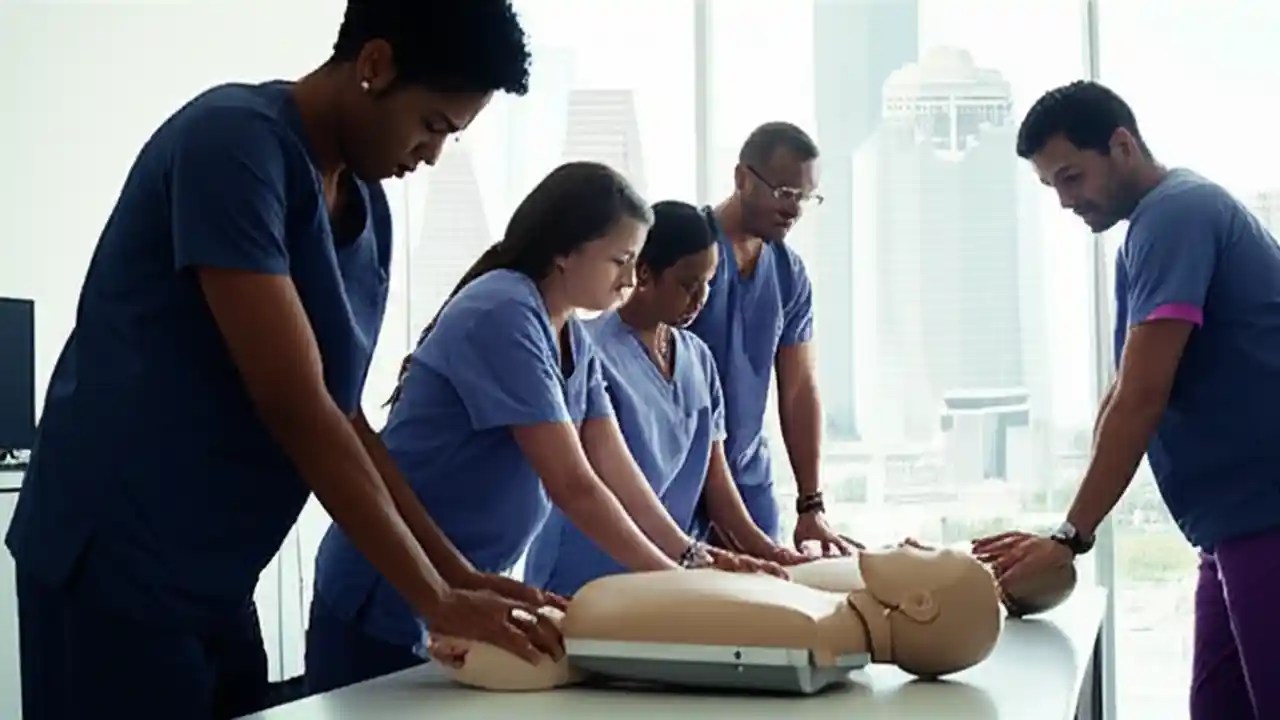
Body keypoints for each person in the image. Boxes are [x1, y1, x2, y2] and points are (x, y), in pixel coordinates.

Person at [3, 3, 556, 718]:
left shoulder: (364, 206)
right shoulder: (232, 145)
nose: (430, 156)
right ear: (375, 65)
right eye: (431, 126)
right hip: (115, 560)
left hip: (218, 573)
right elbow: (295, 403)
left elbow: (344, 415)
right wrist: (436, 599)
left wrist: (458, 575)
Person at [306, 163, 771, 693]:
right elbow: (571, 486)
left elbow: (614, 473)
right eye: (619, 260)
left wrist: (690, 557)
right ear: (564, 251)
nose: (627, 279)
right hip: (389, 584)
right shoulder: (505, 310)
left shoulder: (571, 333)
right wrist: (679, 583)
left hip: (465, 581)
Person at [972, 80, 1280, 720]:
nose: (1065, 201)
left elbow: (1144, 393)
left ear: (1121, 145)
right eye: (1052, 187)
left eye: (1072, 177)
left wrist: (1072, 535)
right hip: (1229, 525)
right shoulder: (1150, 229)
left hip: (1267, 515)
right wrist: (1062, 529)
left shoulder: (1178, 214)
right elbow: (1120, 393)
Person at [523, 200, 808, 597]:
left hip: (669, 566)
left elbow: (718, 486)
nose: (701, 298)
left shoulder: (698, 360)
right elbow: (587, 480)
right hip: (587, 574)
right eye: (688, 284)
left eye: (708, 282)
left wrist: (772, 554)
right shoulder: (588, 350)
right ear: (643, 273)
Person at [687, 122, 857, 555]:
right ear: (742, 178)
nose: (795, 210)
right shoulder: (685, 253)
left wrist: (810, 503)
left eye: (805, 197)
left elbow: (799, 389)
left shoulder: (789, 274)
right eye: (784, 193)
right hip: (678, 480)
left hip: (747, 480)